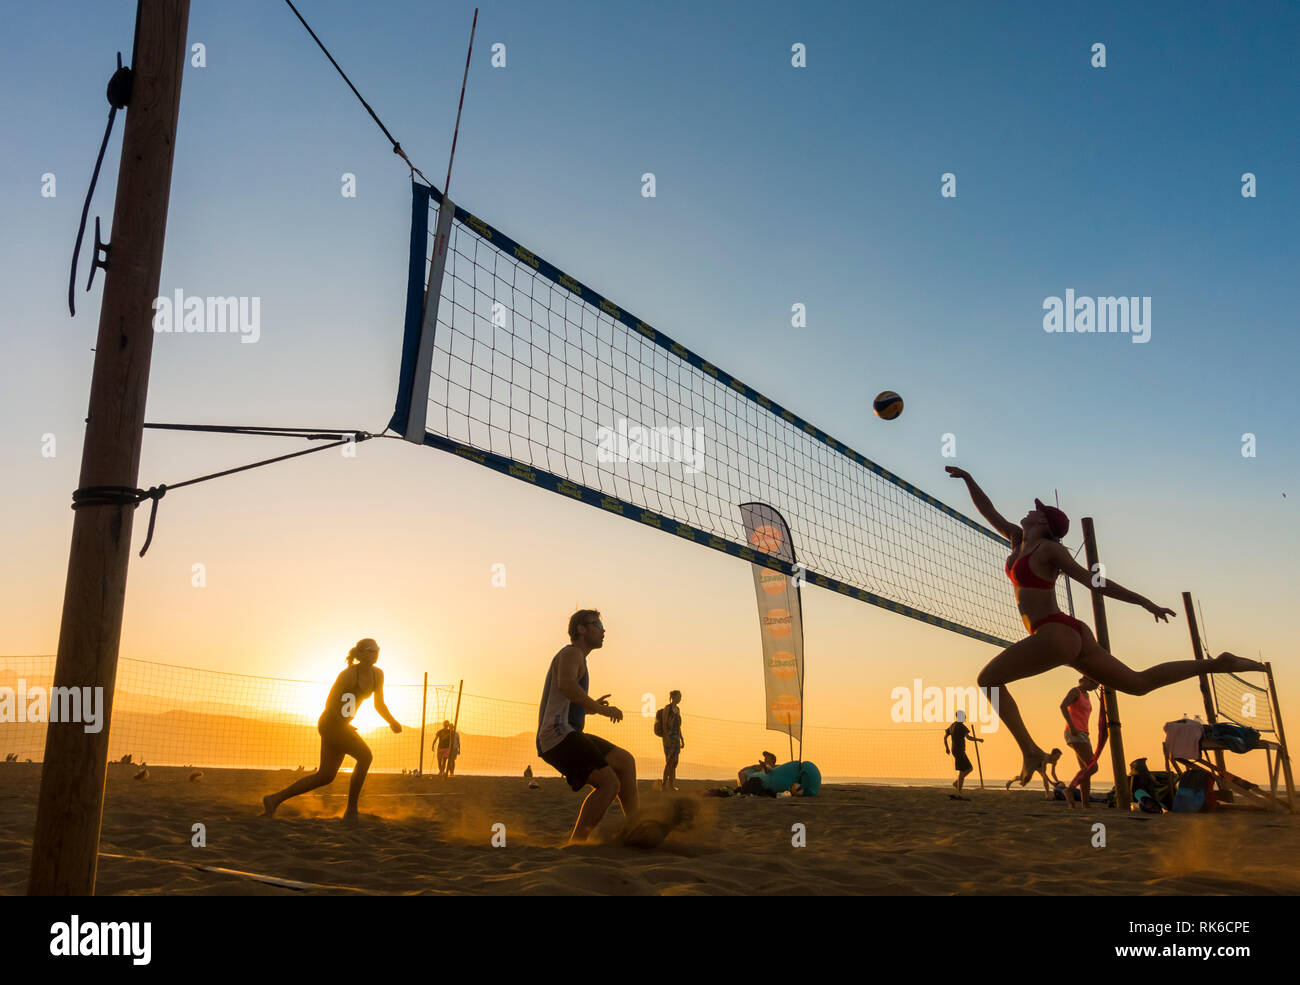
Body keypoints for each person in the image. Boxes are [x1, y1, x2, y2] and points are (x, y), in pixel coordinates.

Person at [945, 467, 1265, 785]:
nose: (1030, 510)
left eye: (1037, 510)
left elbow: (1094, 582)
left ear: (1043, 522)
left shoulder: (1049, 550)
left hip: (1054, 632)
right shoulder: (1017, 539)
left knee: (989, 680)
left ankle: (1030, 751)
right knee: (1139, 684)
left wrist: (1143, 601)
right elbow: (988, 509)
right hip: (1071, 634)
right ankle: (1216, 663)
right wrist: (968, 478)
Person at [262, 638, 402, 819]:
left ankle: (273, 799)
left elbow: (379, 704)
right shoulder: (348, 675)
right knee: (365, 756)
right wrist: (343, 724)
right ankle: (351, 811)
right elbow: (330, 703)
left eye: (377, 649)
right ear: (359, 654)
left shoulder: (378, 674)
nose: (375, 653)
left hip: (341, 726)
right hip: (330, 724)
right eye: (370, 649)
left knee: (326, 776)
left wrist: (392, 721)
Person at [536, 609, 637, 842]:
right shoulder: (572, 654)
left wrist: (590, 707)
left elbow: (570, 699)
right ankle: (577, 843)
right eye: (597, 624)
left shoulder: (578, 658)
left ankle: (636, 826)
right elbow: (567, 686)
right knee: (609, 783)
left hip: (567, 732)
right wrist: (602, 710)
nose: (603, 630)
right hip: (555, 737)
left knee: (625, 761)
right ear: (581, 629)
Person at [1060, 675, 1101, 808]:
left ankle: (1085, 804)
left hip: (1084, 733)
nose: (1095, 687)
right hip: (1075, 732)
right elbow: (1063, 706)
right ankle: (1070, 790)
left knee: (1085, 770)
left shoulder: (1087, 696)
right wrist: (1072, 726)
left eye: (1097, 686)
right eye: (1094, 683)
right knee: (1092, 767)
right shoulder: (1075, 691)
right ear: (1086, 680)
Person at [944, 711, 974, 796]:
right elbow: (969, 738)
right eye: (964, 716)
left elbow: (945, 737)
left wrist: (947, 748)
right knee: (962, 770)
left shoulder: (952, 725)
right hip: (959, 751)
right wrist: (978, 739)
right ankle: (959, 790)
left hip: (955, 750)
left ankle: (956, 783)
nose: (965, 718)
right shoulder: (961, 726)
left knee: (969, 768)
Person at [659, 690, 684, 791]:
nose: (680, 698)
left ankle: (671, 784)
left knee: (675, 762)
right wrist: (667, 738)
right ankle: (664, 784)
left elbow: (678, 726)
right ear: (674, 697)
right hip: (669, 738)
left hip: (676, 739)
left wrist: (682, 738)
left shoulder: (677, 709)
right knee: (669, 761)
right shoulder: (667, 708)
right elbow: (664, 724)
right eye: (679, 696)